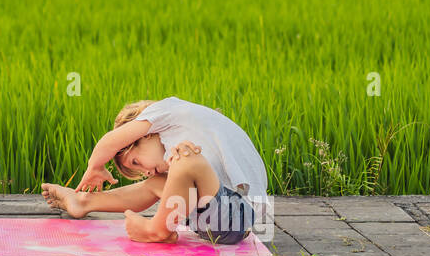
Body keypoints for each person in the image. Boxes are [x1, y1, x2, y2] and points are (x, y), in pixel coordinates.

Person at [41, 97, 267, 244]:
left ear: (143, 135)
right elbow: (153, 189)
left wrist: (95, 167)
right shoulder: (175, 148)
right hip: (211, 219)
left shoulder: (164, 111)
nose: (146, 171)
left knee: (187, 158)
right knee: (157, 182)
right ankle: (84, 201)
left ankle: (155, 230)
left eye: (136, 162)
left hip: (236, 214)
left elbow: (112, 141)